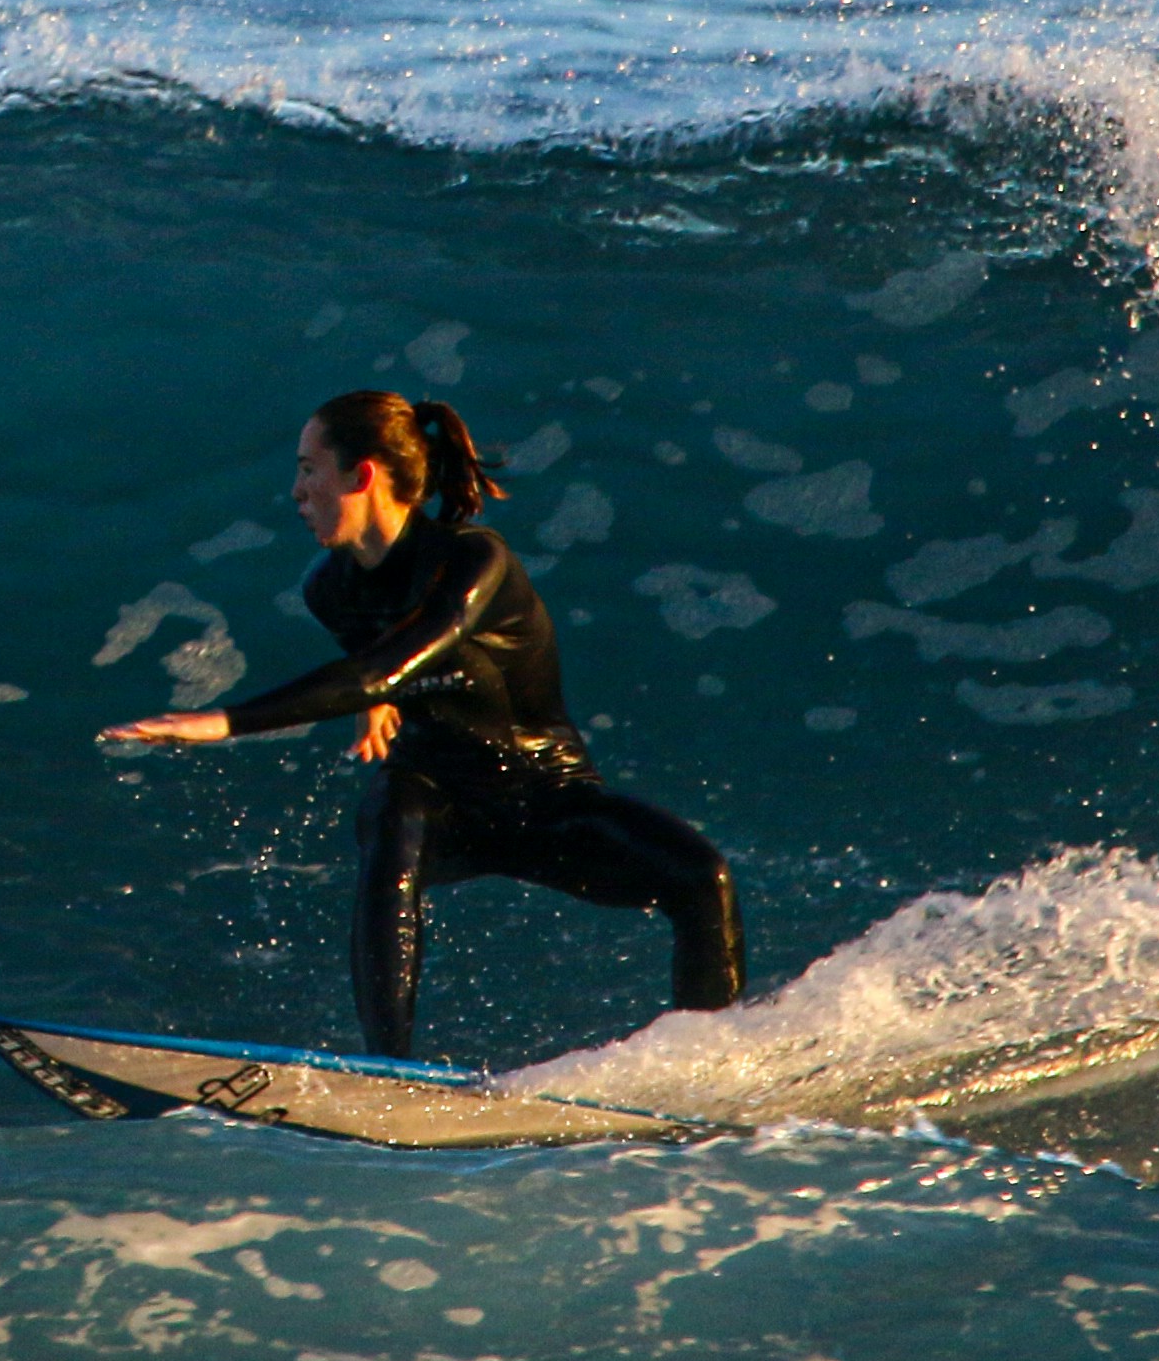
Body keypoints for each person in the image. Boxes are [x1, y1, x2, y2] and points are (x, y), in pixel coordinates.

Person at [100, 390, 742, 1057]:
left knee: (702, 876)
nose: (296, 492)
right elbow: (378, 664)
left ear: (363, 475)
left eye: (308, 469)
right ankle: (389, 1068)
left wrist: (223, 722)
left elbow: (392, 662)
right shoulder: (330, 588)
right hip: (443, 805)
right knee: (395, 809)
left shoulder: (474, 560)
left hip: (547, 798)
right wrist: (381, 697)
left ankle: (707, 1066)